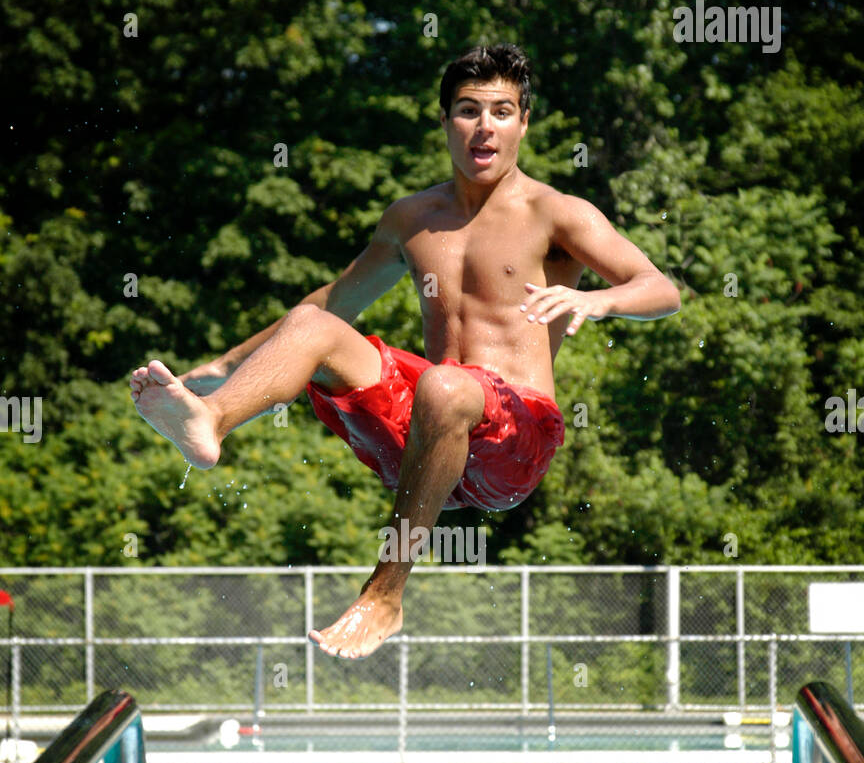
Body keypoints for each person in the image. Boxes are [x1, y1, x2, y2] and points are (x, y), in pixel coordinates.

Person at [130, 43, 680, 659]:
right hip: (427, 432)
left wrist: (597, 302)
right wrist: (226, 368)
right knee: (316, 325)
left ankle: (386, 594)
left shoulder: (557, 214)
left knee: (445, 386)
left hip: (515, 439)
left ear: (524, 121)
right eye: (468, 110)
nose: (484, 126)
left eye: (502, 111)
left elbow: (661, 288)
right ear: (444, 120)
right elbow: (333, 301)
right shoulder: (412, 219)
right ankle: (211, 424)